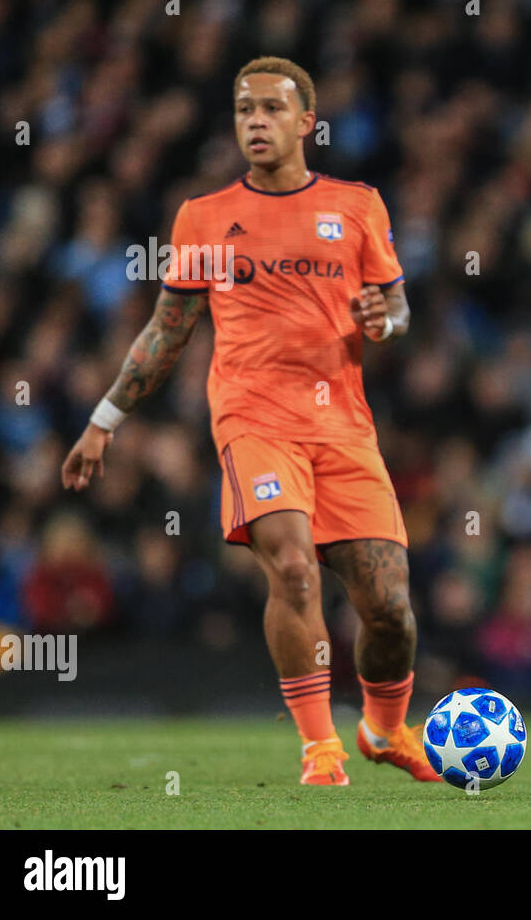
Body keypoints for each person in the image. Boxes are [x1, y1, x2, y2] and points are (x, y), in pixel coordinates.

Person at [62, 56, 440, 787]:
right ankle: (319, 746)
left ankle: (383, 731)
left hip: (343, 426)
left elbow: (396, 309)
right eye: (244, 110)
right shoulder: (202, 217)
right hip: (253, 419)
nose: (256, 122)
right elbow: (166, 331)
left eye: (271, 109)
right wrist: (104, 418)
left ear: (307, 122)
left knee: (389, 608)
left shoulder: (359, 205)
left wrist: (384, 320)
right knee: (294, 568)